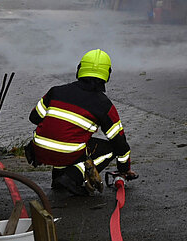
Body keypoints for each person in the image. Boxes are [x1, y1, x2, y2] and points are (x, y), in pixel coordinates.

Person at [25, 49, 137, 195]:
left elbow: (34, 117)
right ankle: (72, 177)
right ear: (107, 75)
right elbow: (120, 143)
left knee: (68, 140)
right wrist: (123, 170)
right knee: (111, 149)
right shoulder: (104, 105)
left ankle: (58, 179)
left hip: (37, 150)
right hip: (66, 153)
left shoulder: (56, 91)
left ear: (79, 69)